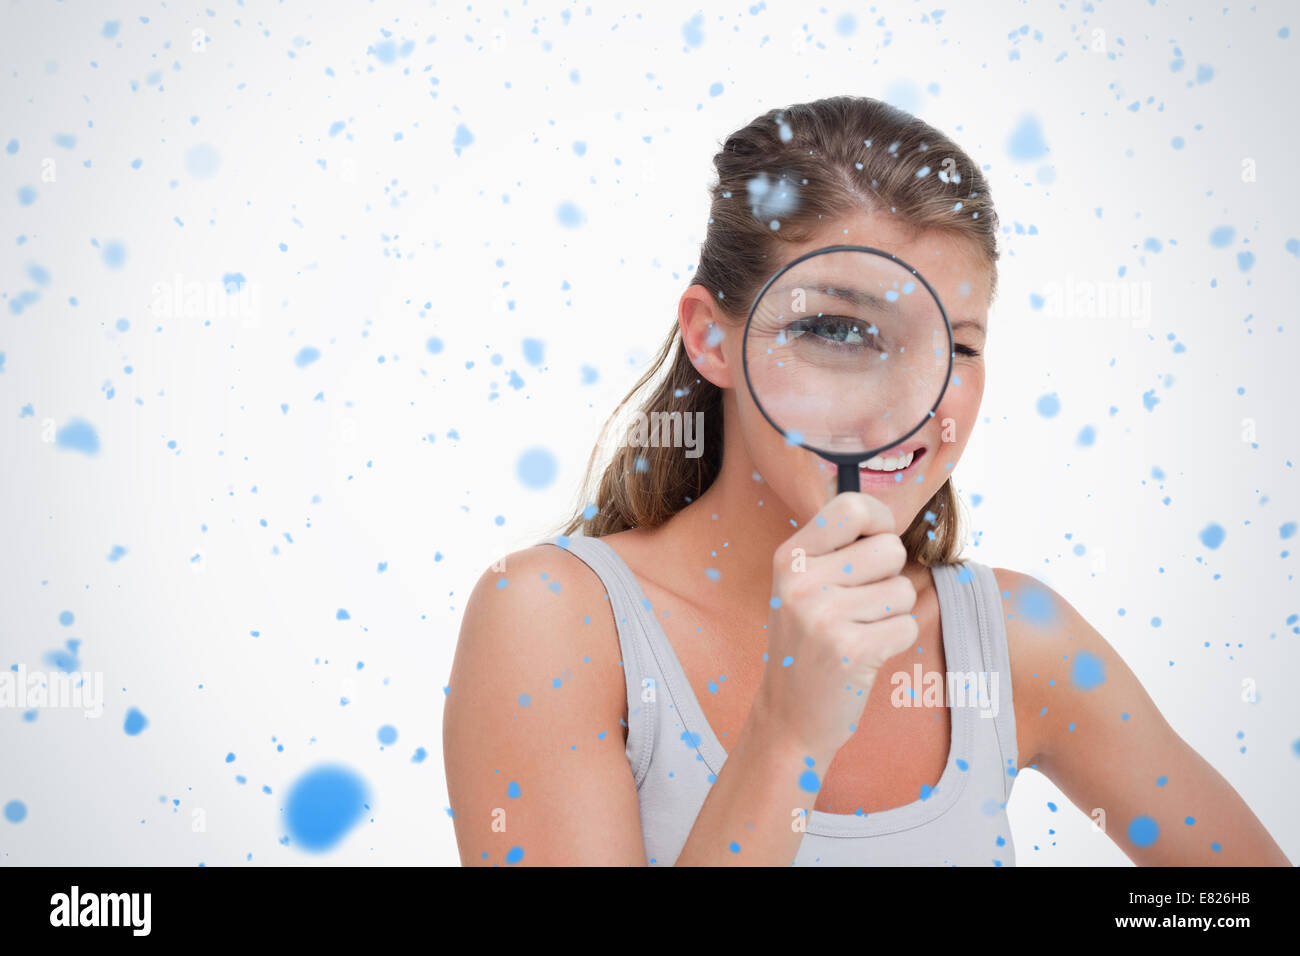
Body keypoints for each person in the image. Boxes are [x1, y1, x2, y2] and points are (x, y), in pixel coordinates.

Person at [443, 95, 1291, 867]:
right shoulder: (553, 618)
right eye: (839, 329)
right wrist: (787, 737)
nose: (904, 406)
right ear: (710, 338)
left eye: (955, 347)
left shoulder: (1012, 640)